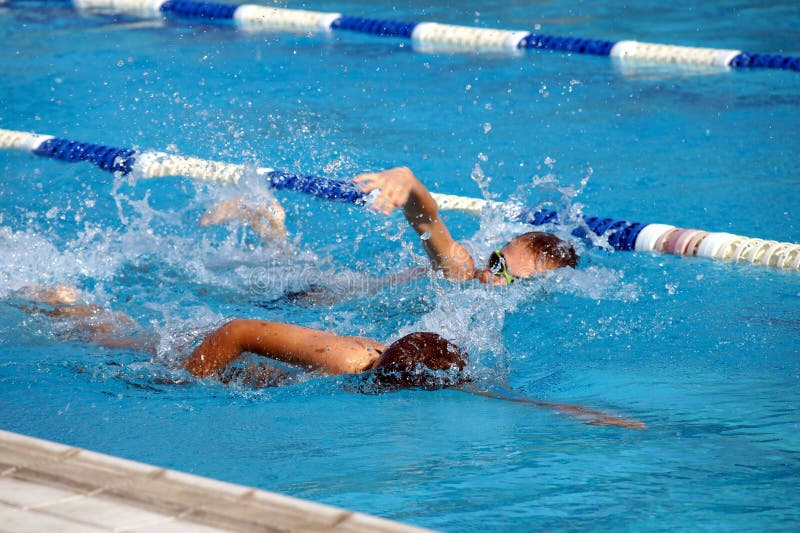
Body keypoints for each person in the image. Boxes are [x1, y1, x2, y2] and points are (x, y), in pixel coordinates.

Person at [354, 166, 579, 285]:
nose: (488, 275)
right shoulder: (463, 270)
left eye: (507, 277)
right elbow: (428, 222)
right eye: (496, 261)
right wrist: (408, 182)